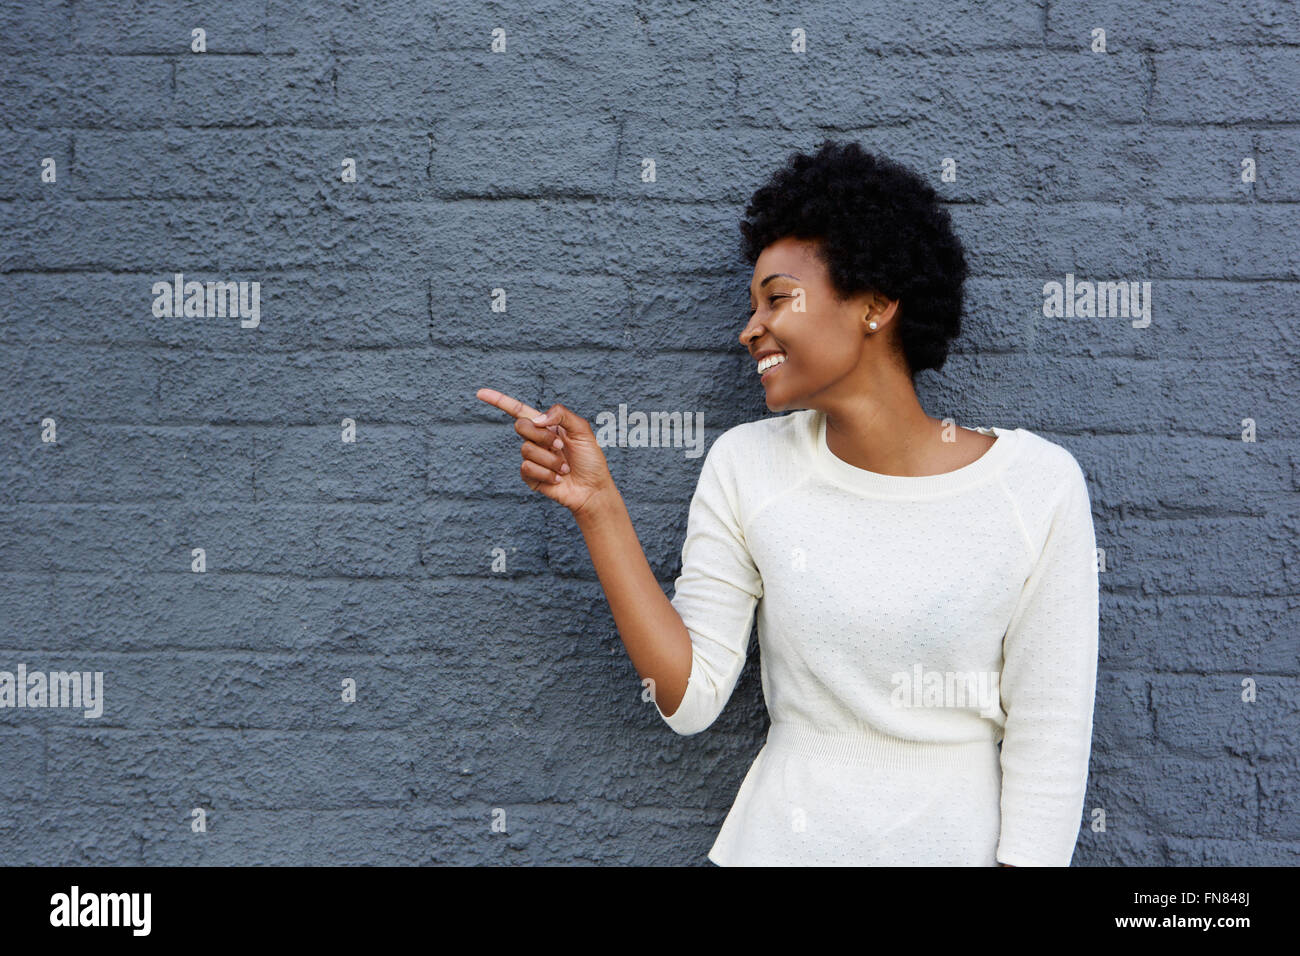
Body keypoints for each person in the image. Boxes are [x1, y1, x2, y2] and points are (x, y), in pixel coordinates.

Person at [475, 140, 1100, 866]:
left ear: (875, 305)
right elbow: (690, 697)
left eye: (777, 299)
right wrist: (598, 506)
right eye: (751, 307)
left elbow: (1050, 738)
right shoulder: (748, 466)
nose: (751, 328)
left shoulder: (1035, 487)